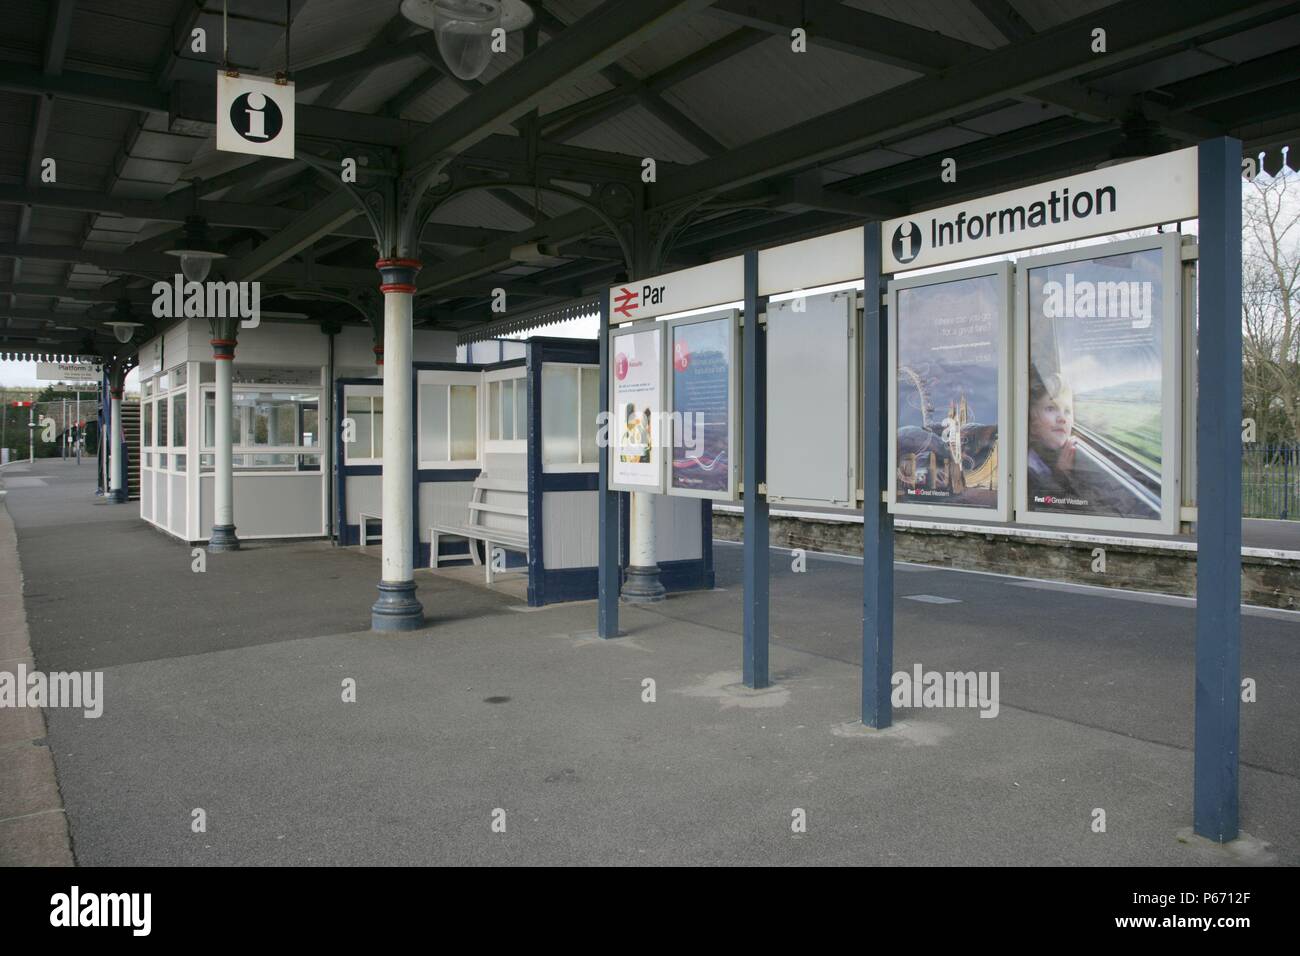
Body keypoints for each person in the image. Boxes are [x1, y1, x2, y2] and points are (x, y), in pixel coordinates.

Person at [1026, 369, 1077, 500]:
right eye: (1051, 408)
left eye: (1067, 411)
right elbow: (1038, 504)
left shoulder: (1047, 456)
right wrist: (1060, 475)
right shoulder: (1028, 468)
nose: (1062, 418)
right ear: (1032, 422)